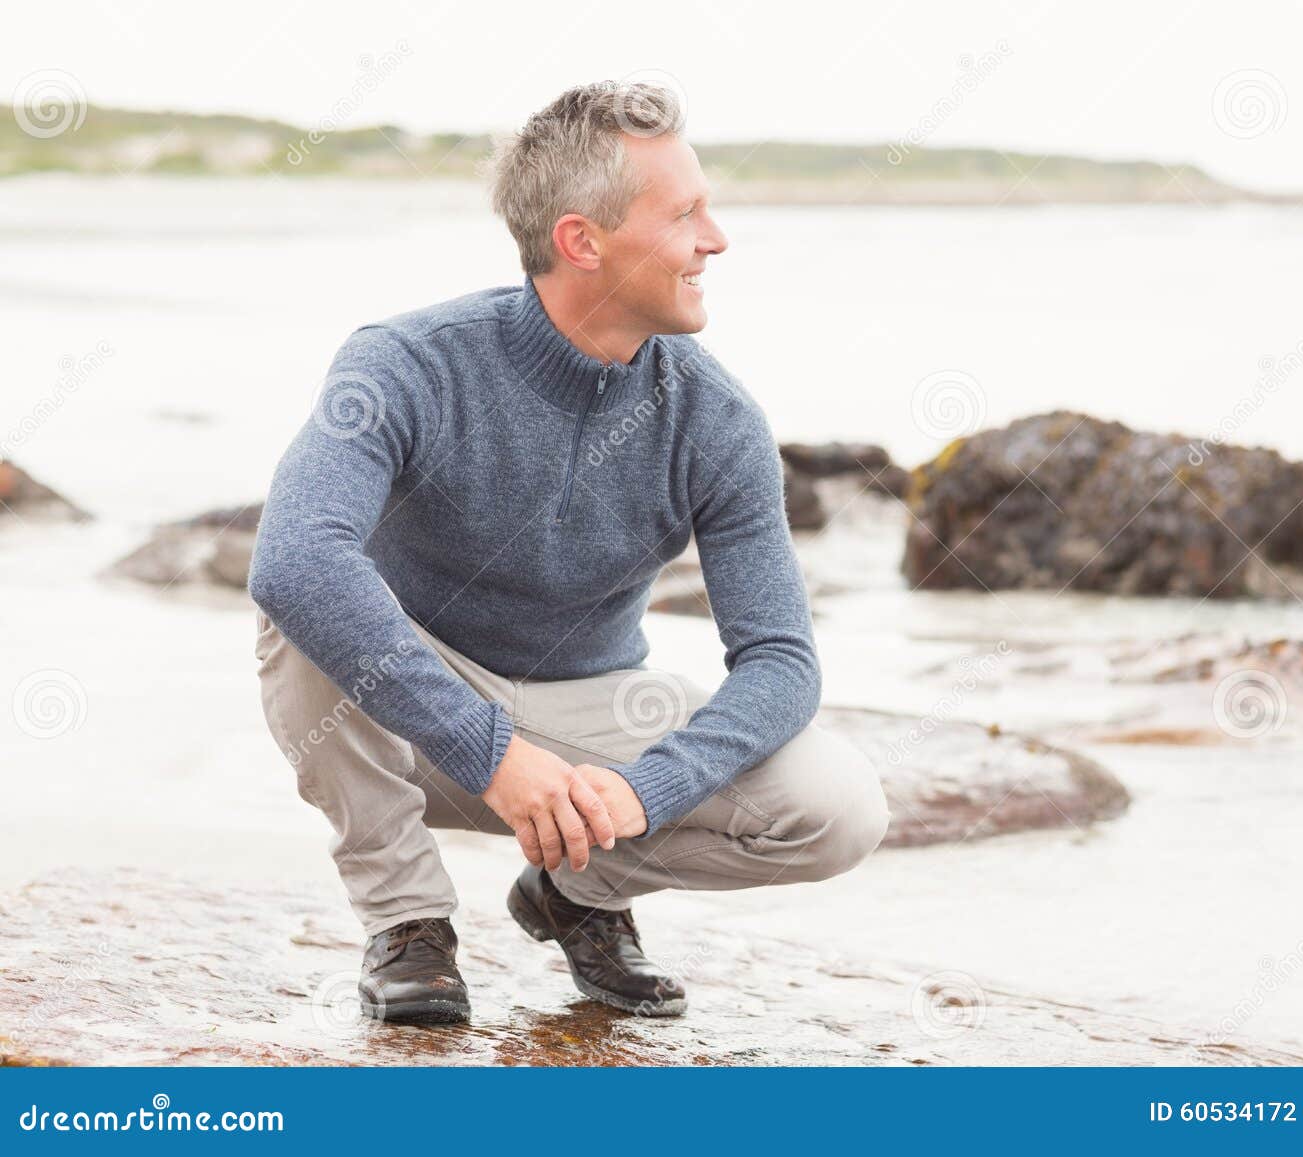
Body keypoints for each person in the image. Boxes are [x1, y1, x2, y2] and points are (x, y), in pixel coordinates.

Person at [249, 81, 888, 1024]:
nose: (717, 239)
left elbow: (782, 663)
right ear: (583, 242)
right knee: (305, 607)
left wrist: (644, 789)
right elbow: (294, 557)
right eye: (685, 214)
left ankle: (577, 890)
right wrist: (495, 755)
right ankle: (409, 923)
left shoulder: (719, 422)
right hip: (411, 717)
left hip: (587, 710)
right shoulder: (408, 363)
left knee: (839, 808)